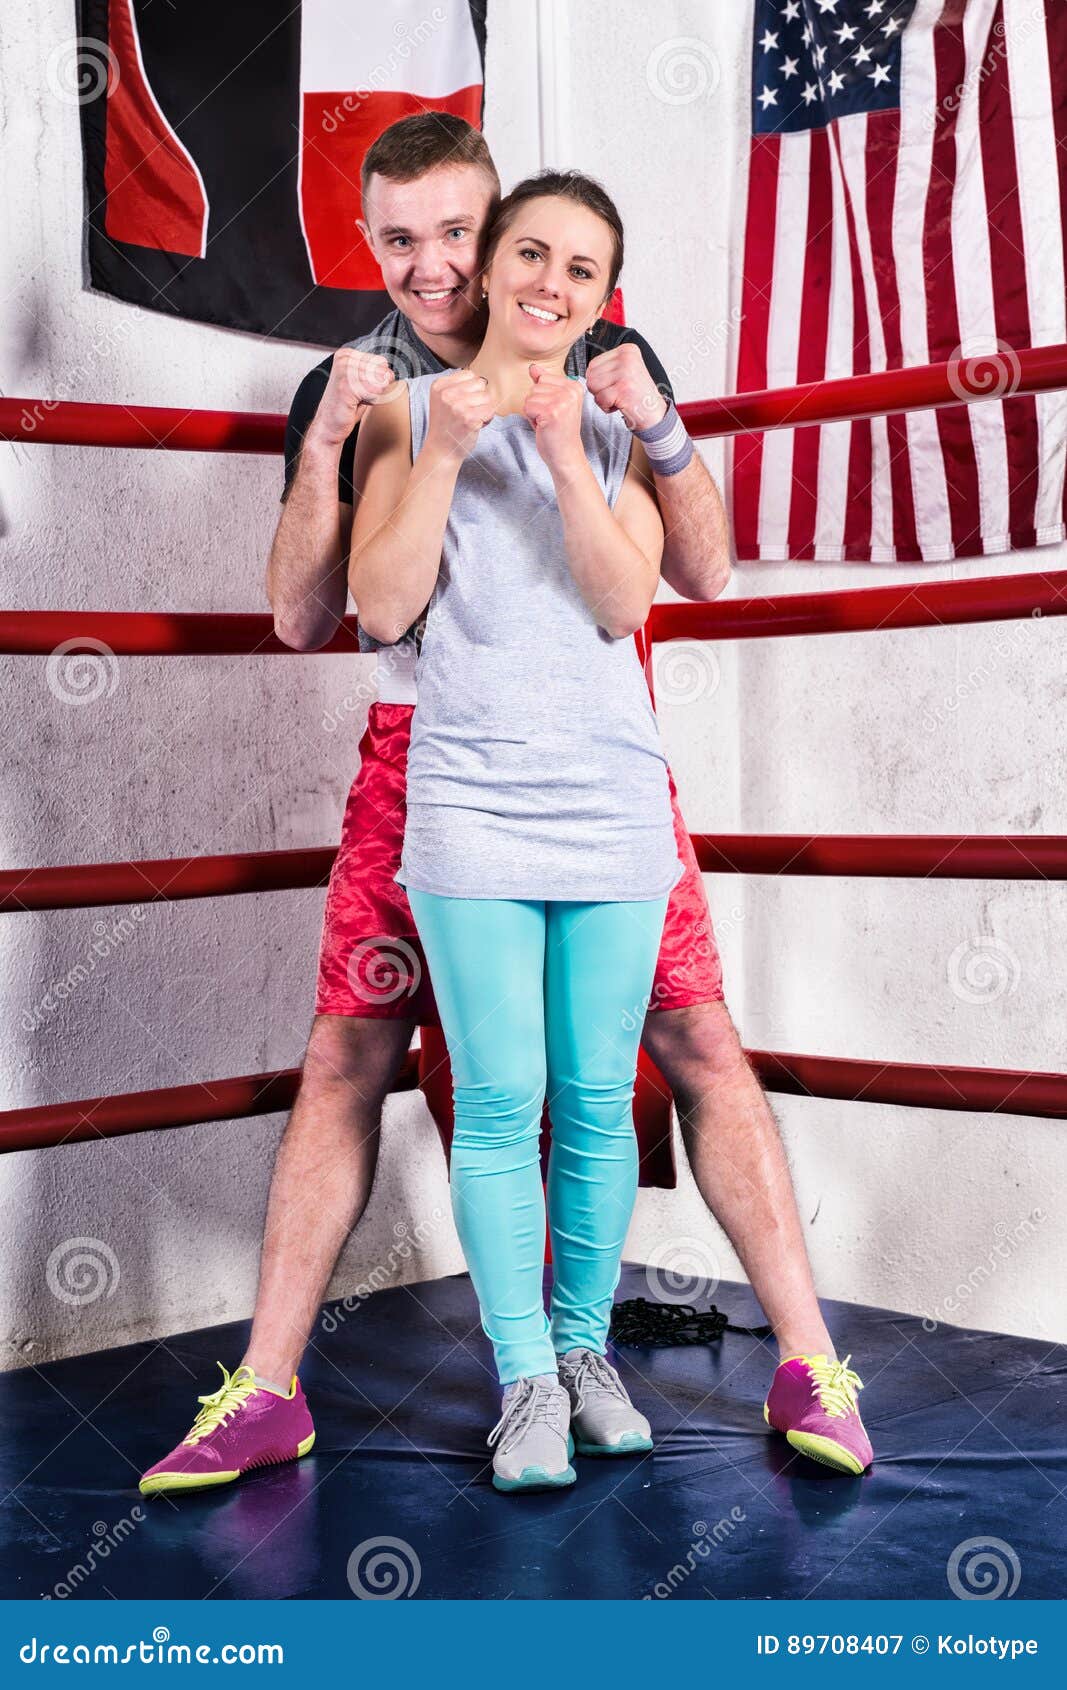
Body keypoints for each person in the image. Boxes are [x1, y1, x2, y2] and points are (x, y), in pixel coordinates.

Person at [138, 116, 871, 1499]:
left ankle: (808, 1353)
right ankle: (273, 1385)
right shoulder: (358, 382)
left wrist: (639, 417)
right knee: (354, 1051)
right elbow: (311, 614)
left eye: (461, 233)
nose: (435, 266)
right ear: (371, 244)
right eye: (401, 238)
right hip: (425, 759)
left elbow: (696, 568)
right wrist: (336, 443)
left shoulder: (596, 349)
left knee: (690, 1044)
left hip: (597, 763)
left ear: (510, 226)